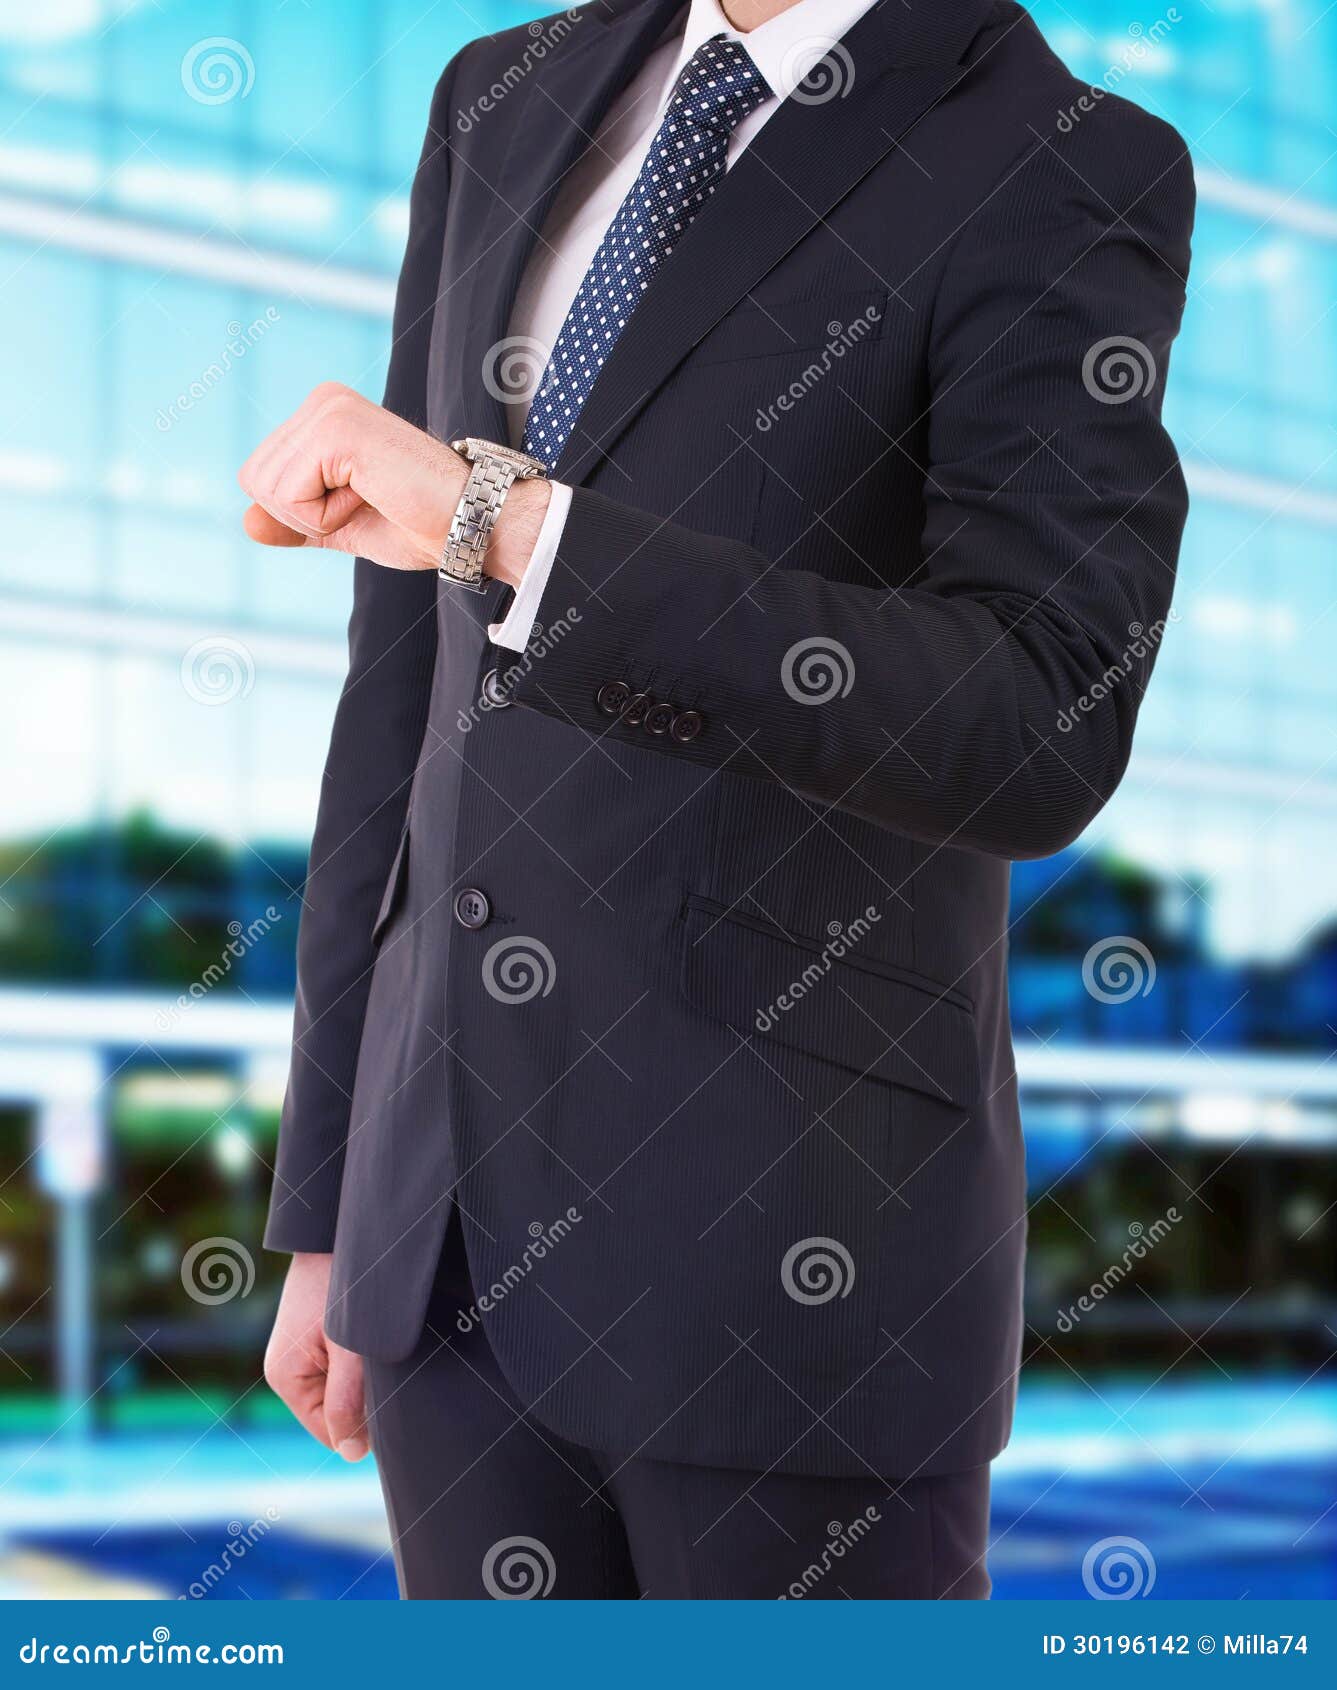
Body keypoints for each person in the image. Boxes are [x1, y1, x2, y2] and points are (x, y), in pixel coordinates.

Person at [242, 0, 1194, 1599]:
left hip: (788, 1264)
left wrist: (518, 531)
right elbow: (401, 697)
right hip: (448, 1243)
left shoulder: (1059, 157)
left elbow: (1035, 716)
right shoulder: (503, 93)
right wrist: (335, 1197)